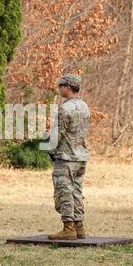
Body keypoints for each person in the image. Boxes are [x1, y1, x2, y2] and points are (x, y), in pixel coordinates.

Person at [44, 73, 90, 240]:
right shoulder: (84, 106)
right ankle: (79, 226)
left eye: (61, 86)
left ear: (68, 87)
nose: (59, 88)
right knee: (76, 191)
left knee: (64, 191)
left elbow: (59, 134)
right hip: (81, 156)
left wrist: (49, 148)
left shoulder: (65, 108)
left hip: (66, 157)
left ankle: (68, 228)